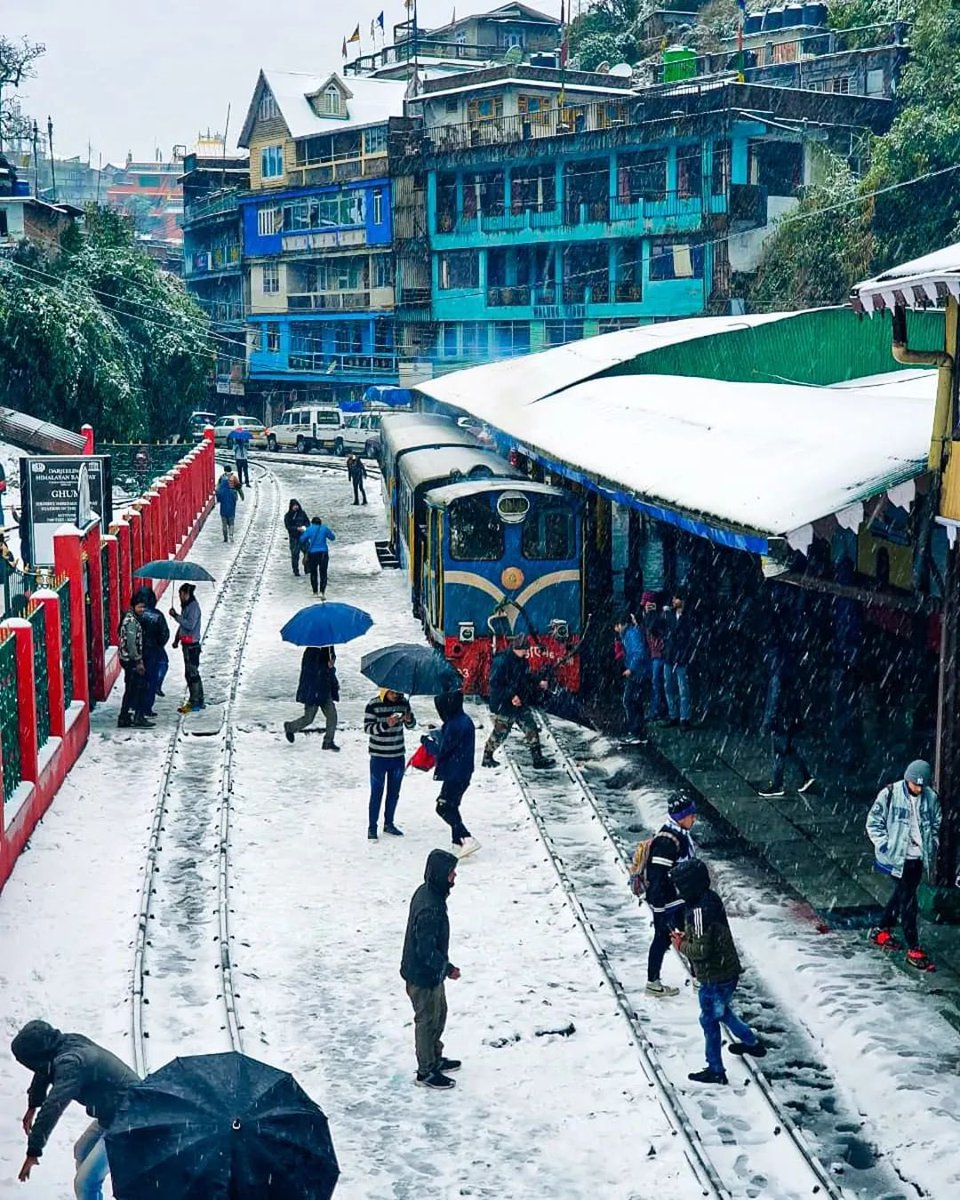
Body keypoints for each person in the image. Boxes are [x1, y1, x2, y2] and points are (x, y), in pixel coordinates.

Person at [11, 1019, 138, 1200]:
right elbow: (44, 1071)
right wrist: (32, 1105)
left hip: (129, 1117)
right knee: (82, 1151)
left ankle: (90, 1190)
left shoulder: (71, 1063)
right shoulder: (65, 1043)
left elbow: (54, 1105)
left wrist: (33, 1150)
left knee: (85, 1183)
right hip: (112, 1112)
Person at [670, 859, 766, 1085]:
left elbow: (701, 950)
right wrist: (689, 937)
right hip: (727, 970)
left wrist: (681, 945)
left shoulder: (698, 912)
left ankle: (715, 1069)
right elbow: (707, 937)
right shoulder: (709, 899)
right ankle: (752, 1043)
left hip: (714, 976)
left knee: (709, 1021)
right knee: (721, 1013)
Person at [866, 759, 941, 971]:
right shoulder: (890, 794)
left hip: (917, 858)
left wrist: (932, 842)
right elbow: (874, 821)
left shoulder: (930, 798)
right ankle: (913, 946)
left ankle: (882, 929)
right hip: (895, 857)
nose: (917, 788)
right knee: (908, 899)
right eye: (914, 784)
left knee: (902, 894)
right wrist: (884, 845)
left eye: (921, 785)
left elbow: (936, 822)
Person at [400, 849, 462, 1091]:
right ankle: (426, 1070)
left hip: (429, 974)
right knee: (427, 1021)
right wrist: (448, 968)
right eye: (450, 873)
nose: (454, 876)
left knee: (439, 1015)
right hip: (423, 976)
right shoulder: (430, 907)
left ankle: (434, 1058)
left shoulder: (428, 893)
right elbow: (425, 950)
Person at [643, 794, 697, 998]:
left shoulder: (678, 834)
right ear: (681, 816)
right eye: (691, 815)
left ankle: (657, 981)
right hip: (668, 902)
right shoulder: (668, 842)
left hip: (674, 900)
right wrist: (660, 907)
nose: (694, 819)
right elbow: (658, 876)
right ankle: (655, 982)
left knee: (680, 936)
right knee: (671, 937)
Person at [481, 635, 553, 769]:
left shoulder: (521, 661)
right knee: (500, 732)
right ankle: (487, 756)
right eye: (525, 650)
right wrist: (511, 696)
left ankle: (537, 757)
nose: (527, 652)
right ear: (517, 649)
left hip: (520, 702)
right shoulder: (502, 662)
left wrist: (538, 681)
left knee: (530, 727)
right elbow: (495, 684)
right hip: (505, 704)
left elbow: (525, 676)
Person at [757, 639, 815, 799]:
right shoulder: (789, 673)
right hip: (789, 717)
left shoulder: (776, 677)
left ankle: (777, 784)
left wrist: (767, 721)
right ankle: (805, 777)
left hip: (781, 720)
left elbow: (773, 701)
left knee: (778, 751)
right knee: (787, 749)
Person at [426, 691, 479, 857]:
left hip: (454, 773)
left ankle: (466, 837)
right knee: (452, 806)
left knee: (443, 807)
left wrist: (426, 742)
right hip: (463, 771)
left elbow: (442, 750)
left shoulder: (454, 725)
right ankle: (458, 843)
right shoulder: (463, 720)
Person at [364, 687, 416, 839]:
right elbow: (368, 728)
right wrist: (386, 724)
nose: (396, 696)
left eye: (398, 693)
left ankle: (389, 823)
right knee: (376, 793)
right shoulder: (373, 705)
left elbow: (412, 725)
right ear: (385, 691)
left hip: (397, 755)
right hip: (378, 757)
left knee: (393, 793)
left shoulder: (404, 703)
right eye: (393, 693)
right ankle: (372, 827)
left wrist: (409, 719)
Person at [283, 645, 339, 749]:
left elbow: (329, 669)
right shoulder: (310, 652)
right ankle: (290, 727)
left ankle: (328, 742)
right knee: (308, 718)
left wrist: (331, 666)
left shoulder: (329, 648)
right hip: (313, 691)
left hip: (325, 689)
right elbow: (310, 672)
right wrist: (326, 667)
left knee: (332, 716)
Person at [613, 611, 649, 745]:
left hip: (637, 673)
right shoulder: (630, 633)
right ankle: (639, 733)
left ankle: (635, 732)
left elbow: (638, 652)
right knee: (636, 702)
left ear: (620, 625)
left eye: (616, 626)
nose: (616, 630)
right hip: (640, 672)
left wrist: (631, 668)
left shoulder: (631, 635)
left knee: (628, 700)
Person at [169, 582, 204, 714]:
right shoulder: (187, 606)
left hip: (192, 646)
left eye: (181, 594)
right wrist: (176, 639)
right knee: (191, 673)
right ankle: (198, 699)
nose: (180, 597)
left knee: (192, 674)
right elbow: (183, 626)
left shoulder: (193, 607)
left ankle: (195, 701)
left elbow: (188, 625)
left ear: (186, 594)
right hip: (186, 644)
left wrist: (175, 616)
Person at [117, 593, 151, 728]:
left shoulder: (131, 618)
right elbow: (131, 644)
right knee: (137, 687)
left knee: (131, 688)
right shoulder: (131, 622)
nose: (142, 610)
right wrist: (138, 661)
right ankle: (133, 715)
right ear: (133, 606)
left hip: (127, 659)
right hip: (130, 660)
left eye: (143, 607)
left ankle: (126, 716)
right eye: (140, 607)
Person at [663, 591, 696, 730]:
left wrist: (682, 657)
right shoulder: (670, 616)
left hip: (680, 658)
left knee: (683, 689)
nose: (673, 601)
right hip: (670, 656)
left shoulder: (688, 618)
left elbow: (689, 640)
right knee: (669, 687)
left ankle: (684, 718)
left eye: (676, 599)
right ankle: (674, 715)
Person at [136, 586, 170, 718]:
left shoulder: (135, 615)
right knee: (151, 679)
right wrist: (158, 645)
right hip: (153, 652)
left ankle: (135, 705)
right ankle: (146, 707)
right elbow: (164, 634)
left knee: (138, 680)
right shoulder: (157, 616)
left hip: (138, 652)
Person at [642, 591, 667, 720]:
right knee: (657, 684)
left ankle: (657, 710)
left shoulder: (655, 618)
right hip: (655, 655)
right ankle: (659, 710)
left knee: (656, 684)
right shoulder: (656, 617)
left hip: (657, 655)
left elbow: (653, 630)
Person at [300, 515, 336, 598]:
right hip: (323, 552)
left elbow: (302, 539)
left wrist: (304, 532)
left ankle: (315, 591)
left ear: (312, 523)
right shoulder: (324, 528)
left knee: (313, 572)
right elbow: (332, 538)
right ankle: (322, 592)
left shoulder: (309, 529)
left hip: (313, 553)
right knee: (323, 572)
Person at [284, 499, 310, 577]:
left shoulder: (302, 514)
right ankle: (296, 571)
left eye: (297, 505)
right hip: (294, 538)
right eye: (294, 506)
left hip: (303, 537)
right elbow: (288, 527)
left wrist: (305, 527)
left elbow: (307, 522)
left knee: (308, 552)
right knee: (295, 555)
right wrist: (296, 529)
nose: (296, 507)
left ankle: (307, 568)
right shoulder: (288, 516)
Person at [216, 467, 240, 543]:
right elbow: (239, 486)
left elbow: (217, 489)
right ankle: (231, 534)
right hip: (231, 501)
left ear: (224, 470)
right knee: (231, 519)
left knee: (224, 520)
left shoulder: (221, 478)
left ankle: (225, 537)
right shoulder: (234, 478)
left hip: (223, 502)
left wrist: (218, 499)